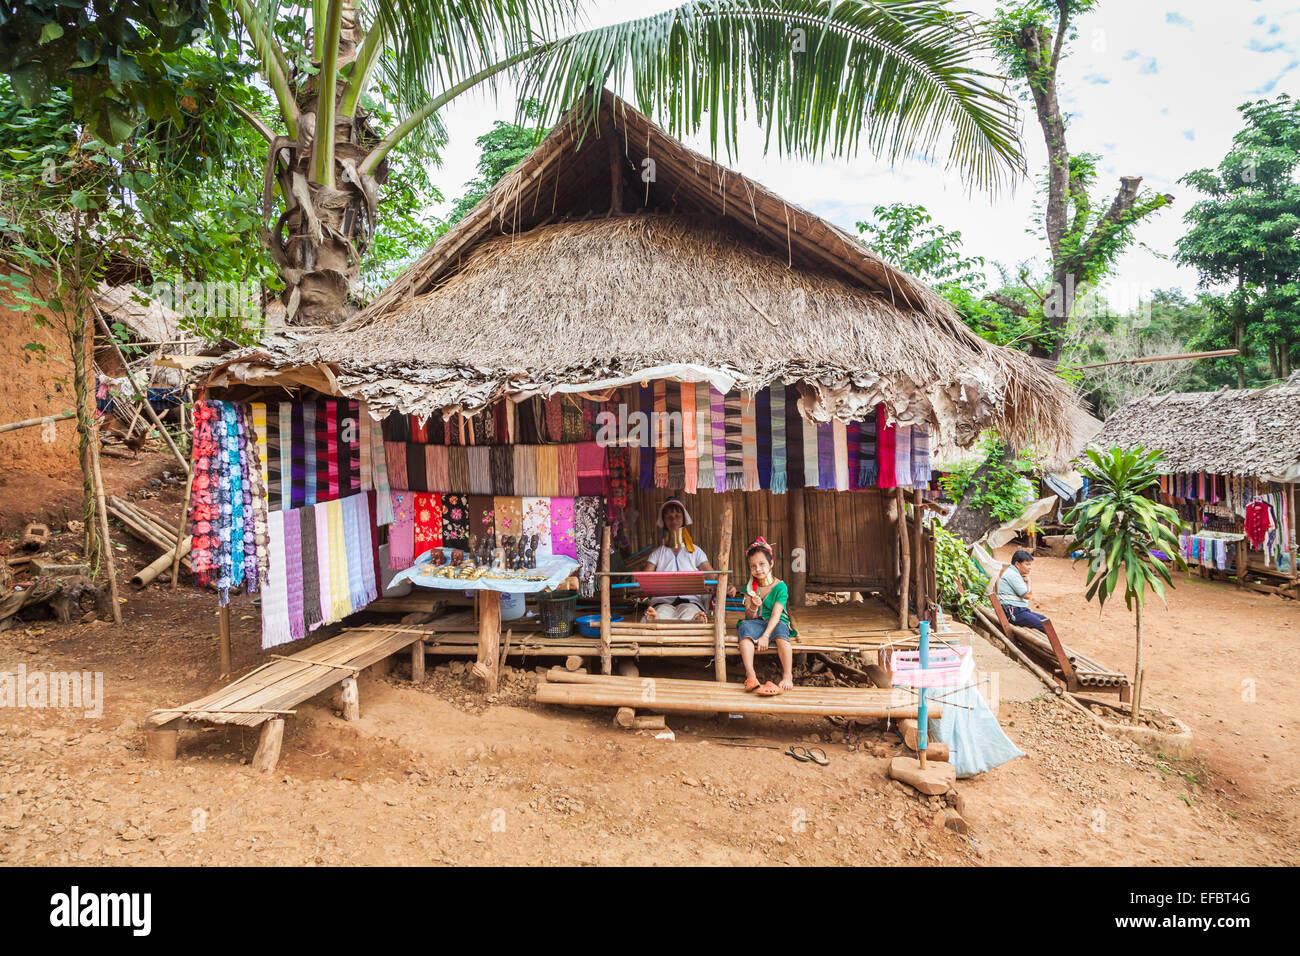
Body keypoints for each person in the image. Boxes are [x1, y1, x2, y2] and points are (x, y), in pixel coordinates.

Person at [642, 498, 719, 623]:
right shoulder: (657, 554)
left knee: (690, 616)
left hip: (690, 601)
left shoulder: (696, 551)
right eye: (669, 517)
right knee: (660, 615)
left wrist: (727, 585)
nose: (673, 520)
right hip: (662, 602)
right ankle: (657, 619)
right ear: (664, 521)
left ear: (683, 519)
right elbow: (644, 579)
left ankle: (693, 620)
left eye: (677, 516)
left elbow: (712, 575)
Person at [737, 537, 797, 696]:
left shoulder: (780, 587)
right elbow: (749, 617)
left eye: (762, 564)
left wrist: (765, 635)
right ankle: (751, 677)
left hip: (776, 623)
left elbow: (777, 614)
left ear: (771, 564)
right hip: (758, 622)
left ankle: (787, 675)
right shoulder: (750, 587)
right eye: (753, 566)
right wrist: (754, 607)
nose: (758, 569)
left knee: (782, 639)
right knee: (744, 630)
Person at [997, 549, 1049, 631]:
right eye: (1027, 564)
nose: (1030, 568)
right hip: (1014, 612)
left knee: (1045, 621)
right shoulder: (1012, 575)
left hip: (1018, 610)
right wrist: (1029, 582)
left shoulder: (1015, 574)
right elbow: (1027, 595)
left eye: (1030, 565)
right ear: (1017, 564)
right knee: (1043, 626)